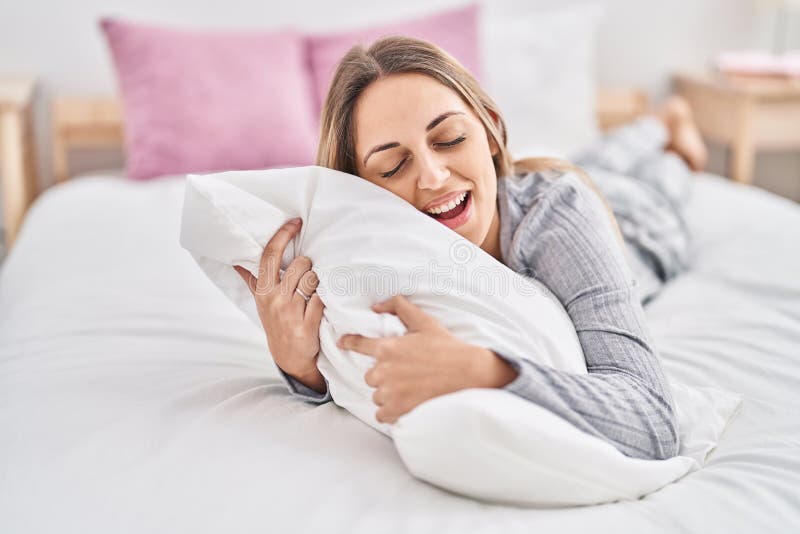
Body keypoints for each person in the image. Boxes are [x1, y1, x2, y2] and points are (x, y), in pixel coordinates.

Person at [234, 36, 709, 461]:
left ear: (491, 131)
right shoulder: (362, 250)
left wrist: (489, 371)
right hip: (542, 179)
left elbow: (653, 424)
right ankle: (655, 125)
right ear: (357, 189)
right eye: (393, 165)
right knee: (592, 161)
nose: (433, 176)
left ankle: (668, 126)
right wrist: (301, 368)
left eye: (450, 139)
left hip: (640, 226)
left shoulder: (558, 218)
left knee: (663, 176)